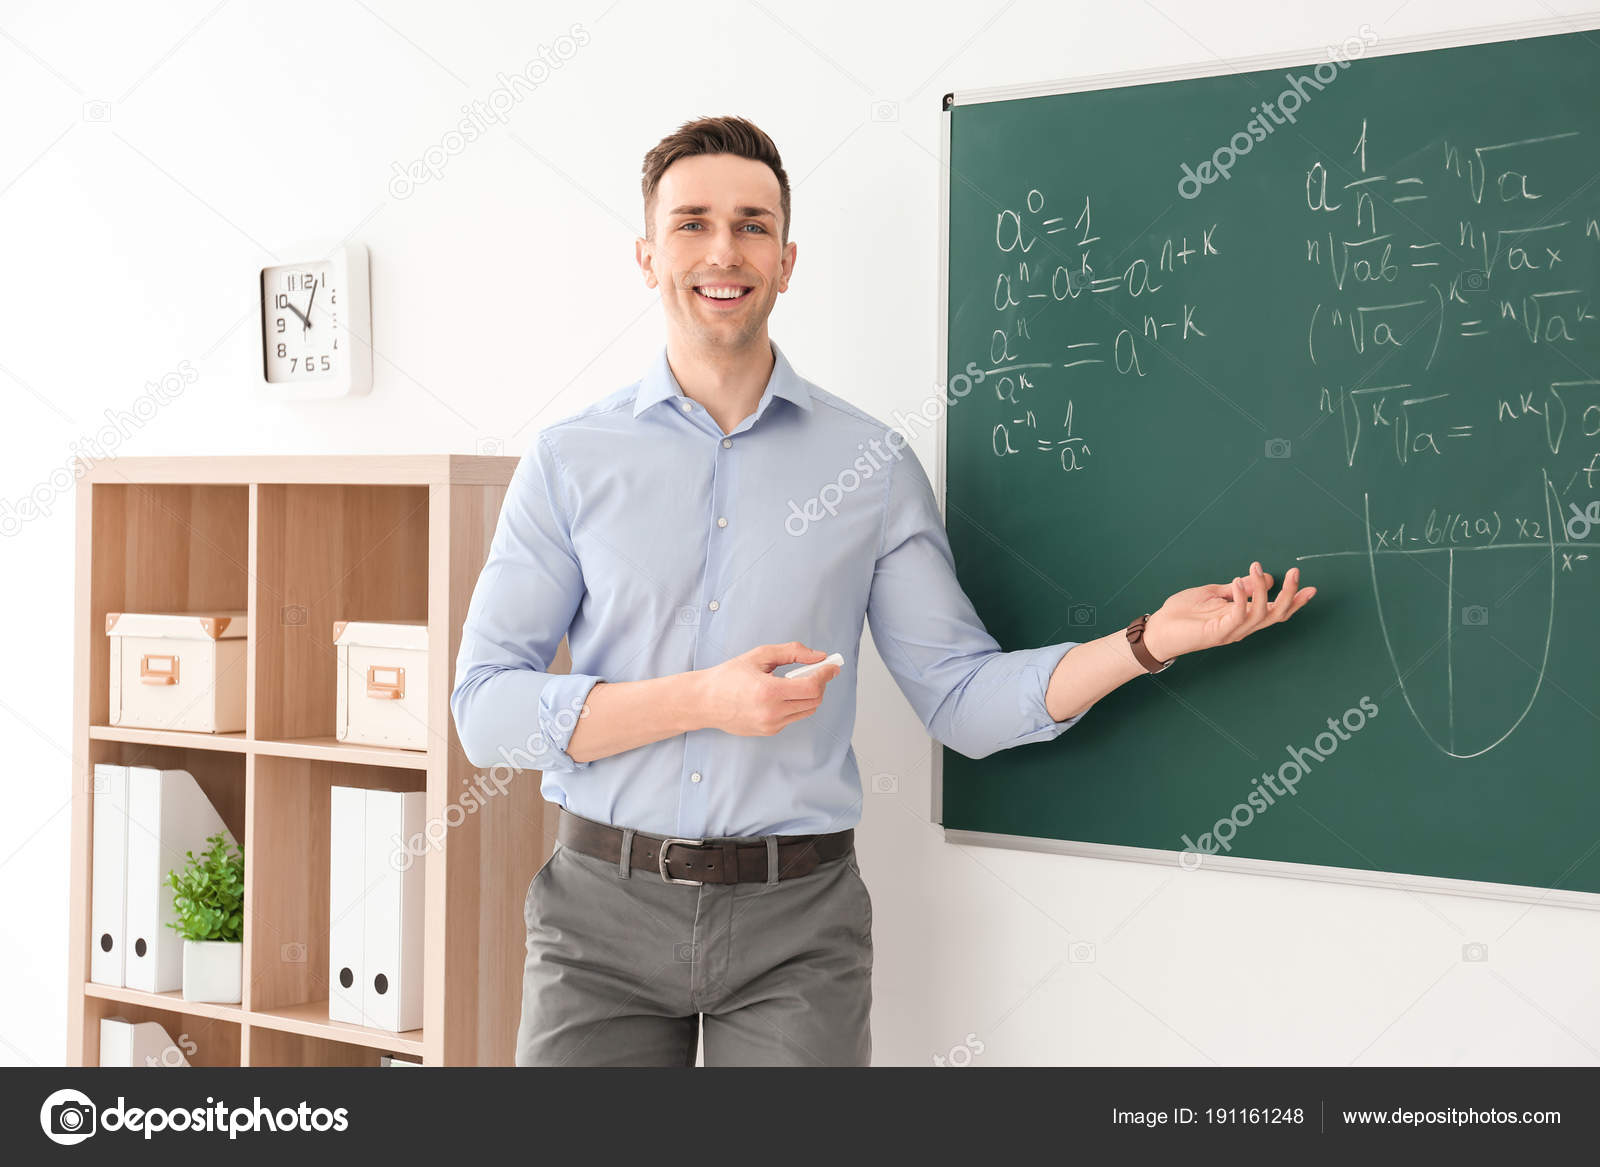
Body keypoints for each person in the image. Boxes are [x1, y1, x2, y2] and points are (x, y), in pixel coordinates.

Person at [450, 115, 1315, 1067]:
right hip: (598, 916)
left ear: (787, 259)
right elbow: (487, 713)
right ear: (648, 254)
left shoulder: (870, 464)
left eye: (752, 223)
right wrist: (704, 700)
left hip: (797, 930)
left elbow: (960, 699)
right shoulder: (572, 460)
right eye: (692, 222)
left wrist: (1149, 641)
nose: (723, 250)